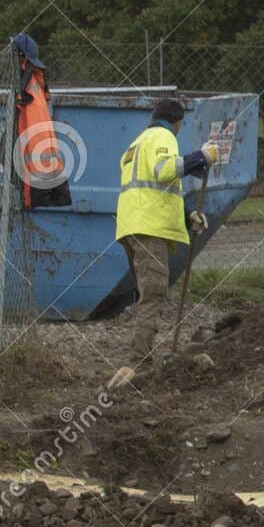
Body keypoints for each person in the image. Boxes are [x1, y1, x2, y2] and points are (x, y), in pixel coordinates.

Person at [108, 96, 220, 389]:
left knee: (147, 291)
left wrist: (186, 217)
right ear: (177, 121)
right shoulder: (163, 136)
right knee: (154, 293)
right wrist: (202, 157)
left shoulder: (137, 144)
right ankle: (138, 363)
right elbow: (163, 171)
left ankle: (138, 357)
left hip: (131, 226)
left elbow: (154, 190)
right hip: (149, 228)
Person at [9, 33, 71, 208]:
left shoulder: (30, 94)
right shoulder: (32, 89)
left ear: (21, 58)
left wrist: (35, 193)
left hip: (35, 186)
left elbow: (38, 143)